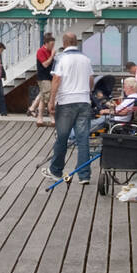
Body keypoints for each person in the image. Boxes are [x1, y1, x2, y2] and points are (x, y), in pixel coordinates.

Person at [43, 32, 95, 185]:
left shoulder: (60, 58)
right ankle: (84, 175)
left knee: (62, 137)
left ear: (64, 43)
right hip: (84, 101)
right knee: (83, 139)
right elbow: (91, 81)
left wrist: (51, 101)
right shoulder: (86, 59)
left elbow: (56, 80)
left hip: (66, 102)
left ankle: (56, 170)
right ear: (76, 43)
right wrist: (86, 92)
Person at [28, 33, 57, 126]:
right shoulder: (41, 51)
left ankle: (38, 117)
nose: (53, 47)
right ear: (46, 43)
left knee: (44, 97)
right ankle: (52, 118)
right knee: (48, 97)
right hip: (43, 77)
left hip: (50, 77)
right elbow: (45, 64)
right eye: (52, 45)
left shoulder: (49, 51)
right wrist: (52, 56)